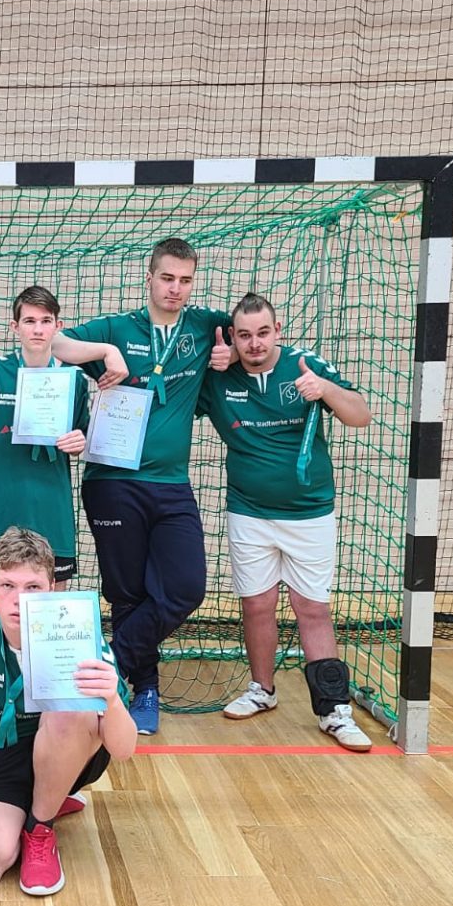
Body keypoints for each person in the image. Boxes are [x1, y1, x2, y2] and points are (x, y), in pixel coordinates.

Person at [48, 238, 230, 735]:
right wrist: (107, 352)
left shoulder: (203, 325)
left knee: (186, 587)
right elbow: (56, 344)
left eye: (185, 280)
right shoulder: (117, 328)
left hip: (172, 485)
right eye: (167, 278)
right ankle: (142, 687)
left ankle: (105, 663)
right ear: (149, 277)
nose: (175, 289)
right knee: (127, 593)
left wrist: (230, 352)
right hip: (113, 481)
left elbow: (256, 332)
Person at [199, 293, 374, 751]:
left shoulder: (303, 366)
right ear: (232, 339)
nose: (254, 343)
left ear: (278, 331)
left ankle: (334, 710)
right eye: (244, 335)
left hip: (308, 513)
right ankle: (263, 690)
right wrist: (213, 359)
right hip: (248, 512)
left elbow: (361, 415)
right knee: (256, 605)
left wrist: (326, 391)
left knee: (311, 608)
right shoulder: (217, 377)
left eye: (262, 332)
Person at [0, 527, 137, 896]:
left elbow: (123, 749)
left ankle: (40, 825)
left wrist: (113, 701)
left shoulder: (79, 636)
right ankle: (46, 797)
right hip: (1, 755)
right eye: (7, 585)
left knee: (68, 708)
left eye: (32, 587)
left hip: (71, 747)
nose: (18, 600)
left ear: (52, 589)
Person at [0, 286, 90, 591]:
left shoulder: (74, 379)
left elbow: (83, 440)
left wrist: (80, 442)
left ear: (58, 326)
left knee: (52, 608)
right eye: (29, 321)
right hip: (1, 511)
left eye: (46, 321)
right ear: (15, 327)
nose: (38, 329)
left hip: (51, 511)